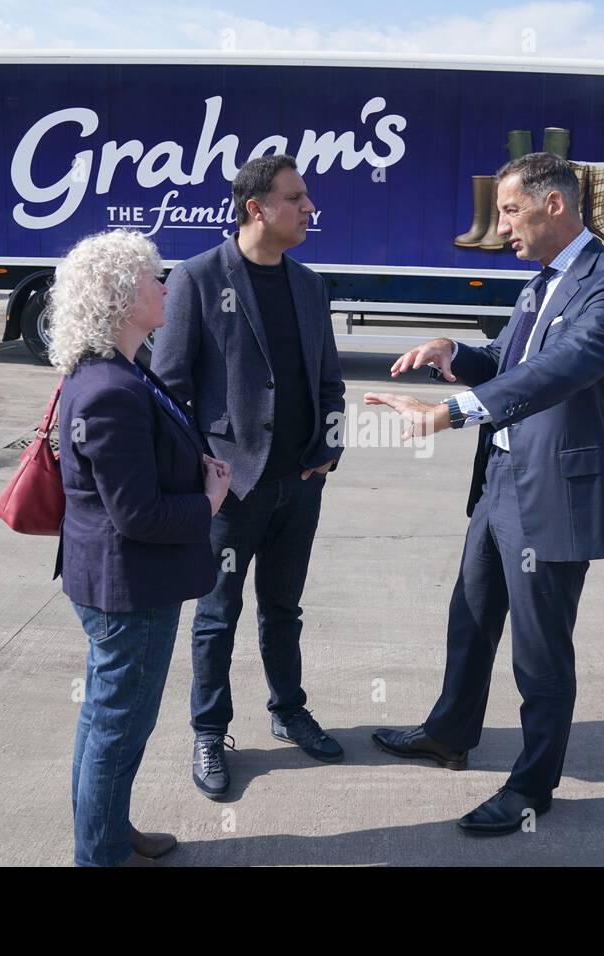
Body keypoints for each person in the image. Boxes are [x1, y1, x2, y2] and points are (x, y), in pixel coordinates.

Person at [365, 152, 604, 835]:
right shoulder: (538, 284)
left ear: (556, 204)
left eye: (511, 211)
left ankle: (531, 786)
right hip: (498, 482)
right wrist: (454, 354)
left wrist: (454, 410)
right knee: (469, 616)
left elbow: (565, 368)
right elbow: (511, 365)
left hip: (550, 490)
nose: (501, 229)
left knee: (539, 650)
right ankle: (449, 733)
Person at [151, 154, 347, 800]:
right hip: (232, 490)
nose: (309, 208)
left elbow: (330, 383)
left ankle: (288, 709)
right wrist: (198, 477)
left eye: (307, 197)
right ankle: (210, 729)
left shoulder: (310, 285)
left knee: (284, 609)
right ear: (256, 207)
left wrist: (330, 449)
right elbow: (171, 389)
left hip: (301, 483)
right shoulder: (201, 279)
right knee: (216, 616)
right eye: (296, 198)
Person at [50, 229, 231, 865]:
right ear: (124, 297)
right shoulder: (109, 389)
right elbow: (137, 514)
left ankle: (105, 829)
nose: (166, 285)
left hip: (124, 580)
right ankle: (98, 854)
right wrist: (207, 502)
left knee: (108, 722)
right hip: (130, 588)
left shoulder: (124, 369)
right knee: (117, 728)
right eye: (155, 278)